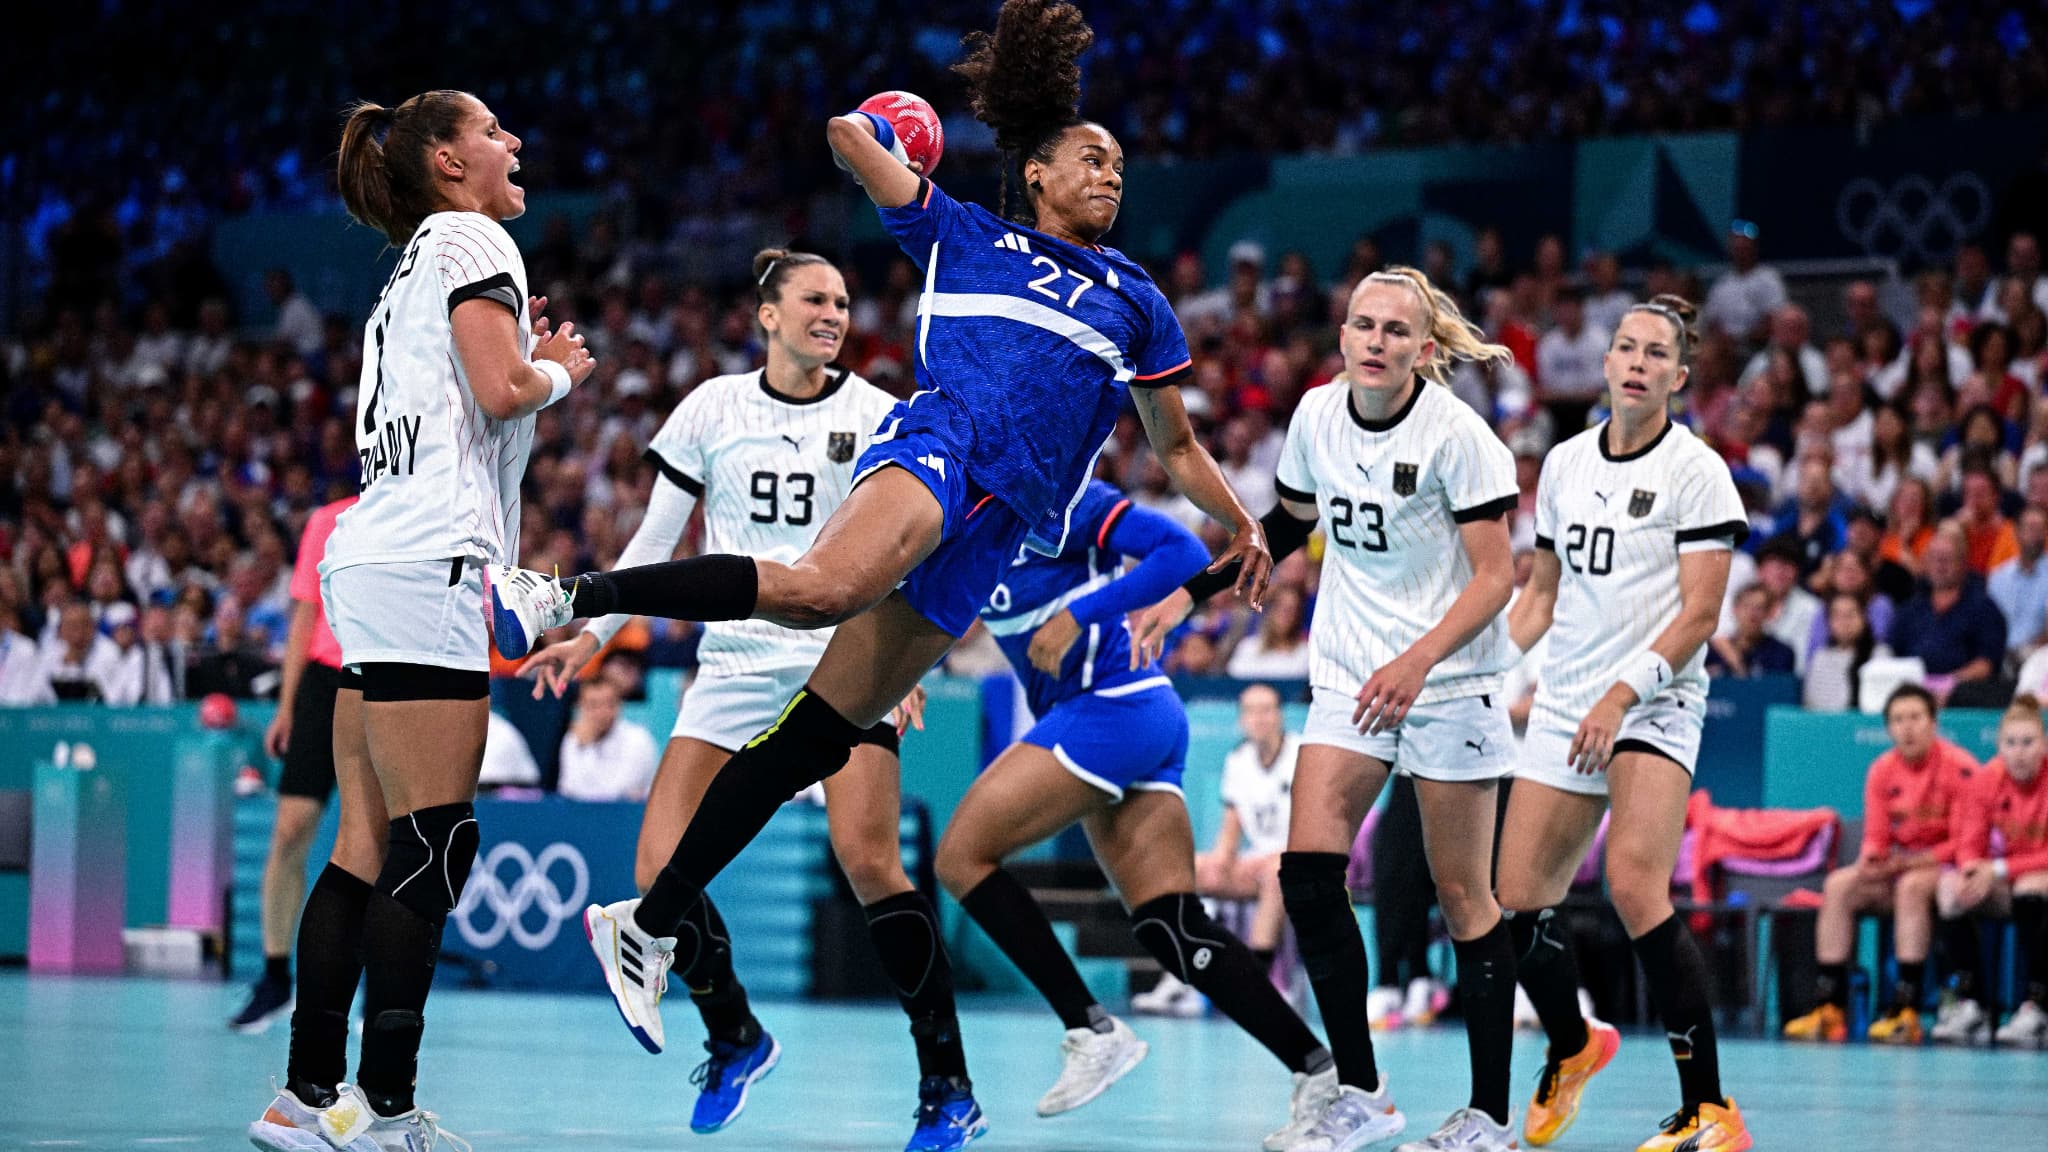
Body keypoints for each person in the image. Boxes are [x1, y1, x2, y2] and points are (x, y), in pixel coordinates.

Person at [489, 5, 1268, 1147]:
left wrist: (1241, 521)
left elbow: (1177, 444)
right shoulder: (964, 233)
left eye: (1119, 163)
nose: (1110, 173)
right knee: (819, 587)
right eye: (1089, 156)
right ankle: (570, 594)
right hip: (942, 450)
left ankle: (647, 926)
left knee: (814, 736)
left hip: (999, 530)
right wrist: (897, 126)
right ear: (1036, 170)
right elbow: (845, 138)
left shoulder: (1136, 301)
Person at [515, 248, 932, 1135]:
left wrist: (905, 663)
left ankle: (945, 1078)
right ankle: (735, 1032)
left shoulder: (879, 415)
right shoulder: (712, 406)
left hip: (839, 655)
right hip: (735, 660)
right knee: (654, 870)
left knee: (870, 862)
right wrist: (592, 634)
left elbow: (903, 549)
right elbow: (656, 541)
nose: (834, 314)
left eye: (843, 302)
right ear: (768, 315)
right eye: (814, 299)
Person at [248, 88, 593, 1151]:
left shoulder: (411, 268)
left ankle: (305, 1097)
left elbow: (471, 392)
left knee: (365, 842)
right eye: (490, 130)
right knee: (436, 842)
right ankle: (385, 1109)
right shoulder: (475, 239)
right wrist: (558, 373)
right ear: (447, 161)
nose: (512, 140)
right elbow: (500, 390)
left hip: (374, 560)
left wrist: (525, 364)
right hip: (426, 562)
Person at [1135, 265, 1524, 1152]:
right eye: (1363, 325)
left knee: (1465, 896)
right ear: (1342, 336)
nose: (1376, 342)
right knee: (1307, 875)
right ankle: (1362, 1093)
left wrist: (1419, 661)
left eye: (1396, 330)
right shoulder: (1315, 415)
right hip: (1351, 673)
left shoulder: (1458, 436)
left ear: (1423, 349)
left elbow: (1497, 577)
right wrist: (1188, 595)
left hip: (1449, 679)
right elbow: (1286, 523)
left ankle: (1491, 1117)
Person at [935, 482, 1334, 1139]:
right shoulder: (965, 525)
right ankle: (1319, 1074)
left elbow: (1182, 553)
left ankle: (1090, 1029)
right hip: (1128, 713)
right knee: (1171, 927)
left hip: (1111, 705)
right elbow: (923, 611)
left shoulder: (1063, 496)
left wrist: (1081, 613)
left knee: (960, 857)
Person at [1492, 295, 1753, 1152]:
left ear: (1679, 376)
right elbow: (1540, 598)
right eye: (1626, 347)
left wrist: (1621, 696)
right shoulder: (1566, 464)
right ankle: (1573, 1045)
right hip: (1568, 699)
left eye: (1656, 353)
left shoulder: (1697, 471)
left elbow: (1699, 615)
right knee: (1517, 897)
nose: (1638, 362)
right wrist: (1478, 669)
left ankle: (1709, 1109)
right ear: (1605, 364)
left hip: (1655, 697)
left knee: (1636, 885)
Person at [1784, 685, 1979, 1046]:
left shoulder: (1961, 767)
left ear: (1933, 723)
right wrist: (1871, 859)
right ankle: (1830, 1006)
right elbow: (1876, 836)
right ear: (1889, 728)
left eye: (1915, 718)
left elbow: (1964, 843)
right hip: (1898, 868)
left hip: (1941, 872)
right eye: (1898, 720)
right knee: (1839, 885)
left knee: (1911, 887)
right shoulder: (1881, 770)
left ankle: (1905, 1010)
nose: (1908, 728)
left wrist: (1911, 863)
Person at [230, 495, 357, 1035]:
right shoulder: (327, 520)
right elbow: (306, 613)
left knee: (373, 841)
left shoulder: (420, 510)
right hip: (323, 683)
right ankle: (276, 977)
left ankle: (366, 989)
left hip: (384, 679)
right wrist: (286, 707)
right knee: (289, 831)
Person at [1149, 683, 1300, 1018]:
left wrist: (1274, 857)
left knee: (1276, 873)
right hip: (1256, 861)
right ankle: (1180, 974)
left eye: (1266, 710)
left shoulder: (1300, 756)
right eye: (1251, 711)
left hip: (1297, 862)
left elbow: (1311, 830)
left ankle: (1258, 980)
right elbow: (1232, 826)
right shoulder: (1238, 760)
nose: (1259, 718)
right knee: (1190, 868)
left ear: (1280, 716)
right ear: (1241, 720)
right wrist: (1221, 859)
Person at [1930, 696, 2048, 1046]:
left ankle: (2038, 1005)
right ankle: (1972, 1005)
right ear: (1999, 747)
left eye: (2028, 742)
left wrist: (1996, 868)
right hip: (2005, 880)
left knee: (2030, 888)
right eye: (2011, 743)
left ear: (2043, 745)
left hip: (2033, 880)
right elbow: (1969, 841)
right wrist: (1971, 871)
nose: (2019, 752)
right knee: (1951, 891)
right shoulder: (1987, 779)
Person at [1890, 523, 2009, 693]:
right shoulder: (1910, 609)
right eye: (1935, 558)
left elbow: (1986, 664)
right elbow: (1891, 653)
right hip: (1912, 693)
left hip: (1964, 695)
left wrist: (1948, 684)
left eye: (1947, 559)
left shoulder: (1985, 609)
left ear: (1963, 563)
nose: (1940, 565)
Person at [554, 678, 659, 802]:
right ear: (581, 706)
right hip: (582, 811)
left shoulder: (638, 739)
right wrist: (584, 746)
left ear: (619, 705)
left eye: (609, 704)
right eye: (593, 705)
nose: (601, 712)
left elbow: (617, 793)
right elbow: (567, 789)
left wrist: (587, 749)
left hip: (630, 812)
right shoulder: (573, 738)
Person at [1803, 593, 1890, 712]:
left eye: (1850, 615)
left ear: (1864, 618)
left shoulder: (1880, 655)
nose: (1844, 622)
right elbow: (1811, 706)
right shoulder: (1820, 658)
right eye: (1837, 616)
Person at [1989, 504, 2048, 662]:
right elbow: (1989, 623)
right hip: (1999, 655)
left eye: (2040, 529)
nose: (2036, 535)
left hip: (2039, 657)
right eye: (2031, 528)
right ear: (2017, 532)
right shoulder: (1998, 577)